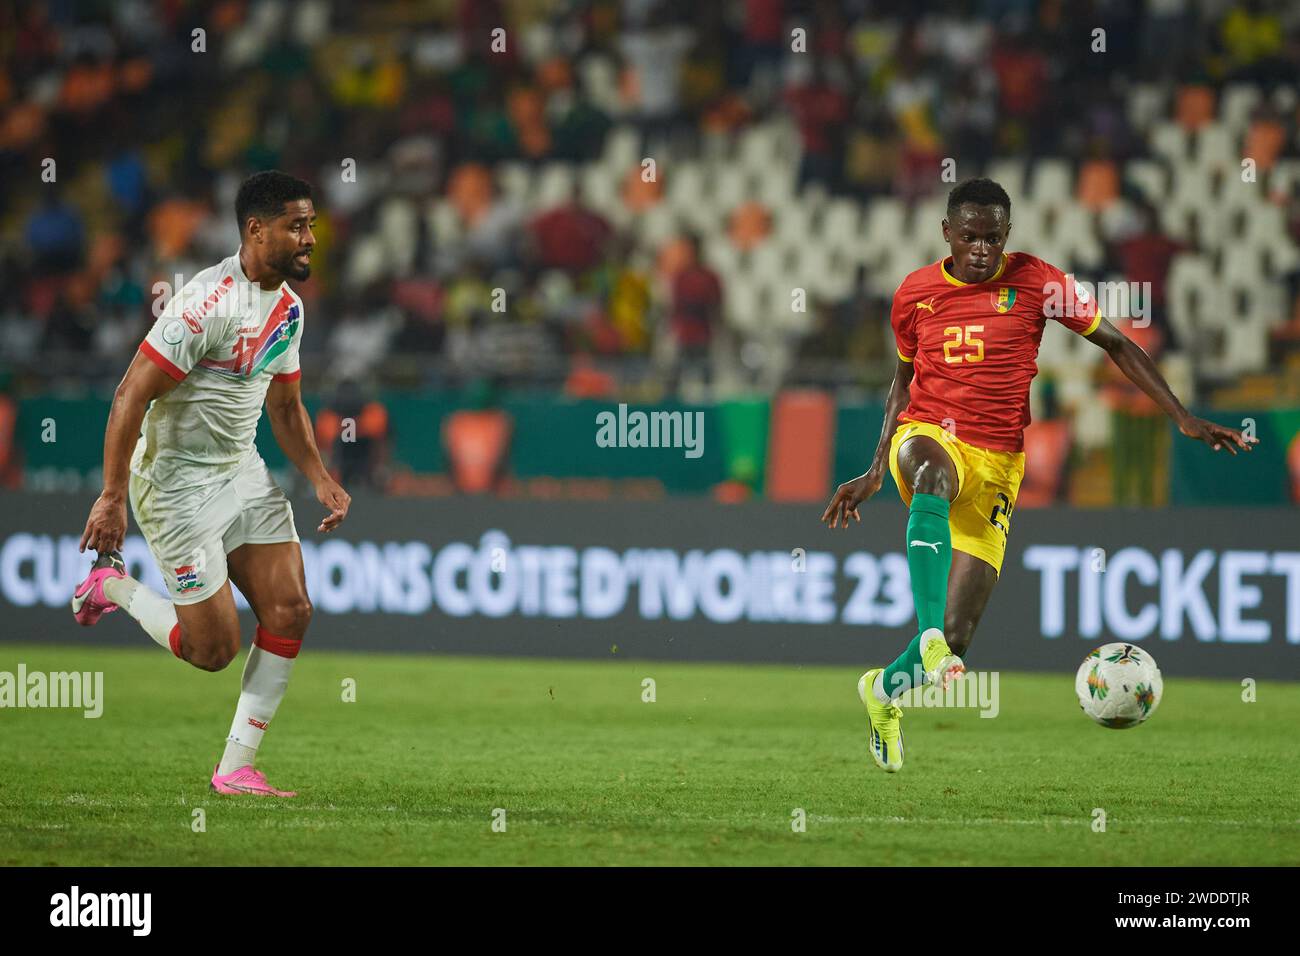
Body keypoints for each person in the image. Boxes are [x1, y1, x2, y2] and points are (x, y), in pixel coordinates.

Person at [821, 178, 1256, 773]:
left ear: (1008, 236)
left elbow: (1115, 342)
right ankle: (926, 636)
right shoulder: (914, 294)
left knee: (959, 635)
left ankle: (882, 693)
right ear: (946, 233)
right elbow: (902, 382)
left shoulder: (1039, 283)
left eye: (992, 238)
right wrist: (875, 470)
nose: (981, 249)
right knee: (931, 480)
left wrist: (1180, 416)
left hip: (999, 461)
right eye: (969, 236)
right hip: (929, 434)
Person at [71, 170, 351, 797]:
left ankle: (234, 768)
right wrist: (112, 496)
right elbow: (129, 395)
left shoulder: (290, 309)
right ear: (256, 230)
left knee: (291, 607)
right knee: (213, 649)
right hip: (174, 485)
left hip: (240, 470)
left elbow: (285, 406)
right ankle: (110, 584)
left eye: (311, 224)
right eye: (296, 226)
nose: (310, 238)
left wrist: (320, 477)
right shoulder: (205, 303)